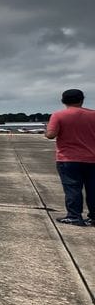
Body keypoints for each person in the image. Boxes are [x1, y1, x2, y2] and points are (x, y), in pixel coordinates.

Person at [45, 88, 95, 226]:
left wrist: (47, 130)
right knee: (92, 189)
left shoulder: (58, 115)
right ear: (82, 100)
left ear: (63, 101)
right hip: (92, 158)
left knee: (72, 188)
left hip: (68, 159)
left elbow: (50, 135)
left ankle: (74, 216)